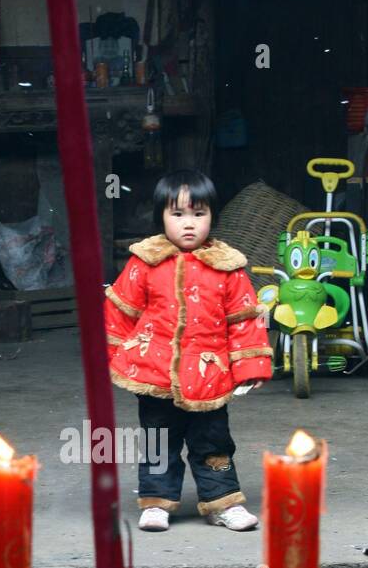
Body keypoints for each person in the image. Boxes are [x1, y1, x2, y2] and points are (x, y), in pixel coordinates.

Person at [105, 170, 272, 531]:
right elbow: (119, 312)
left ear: (213, 217)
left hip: (210, 377)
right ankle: (156, 502)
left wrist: (252, 366)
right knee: (157, 440)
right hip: (155, 373)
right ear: (160, 217)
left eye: (199, 214)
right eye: (177, 214)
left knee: (213, 443)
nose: (189, 224)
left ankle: (222, 502)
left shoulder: (228, 267)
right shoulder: (144, 262)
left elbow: (244, 320)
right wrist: (115, 357)